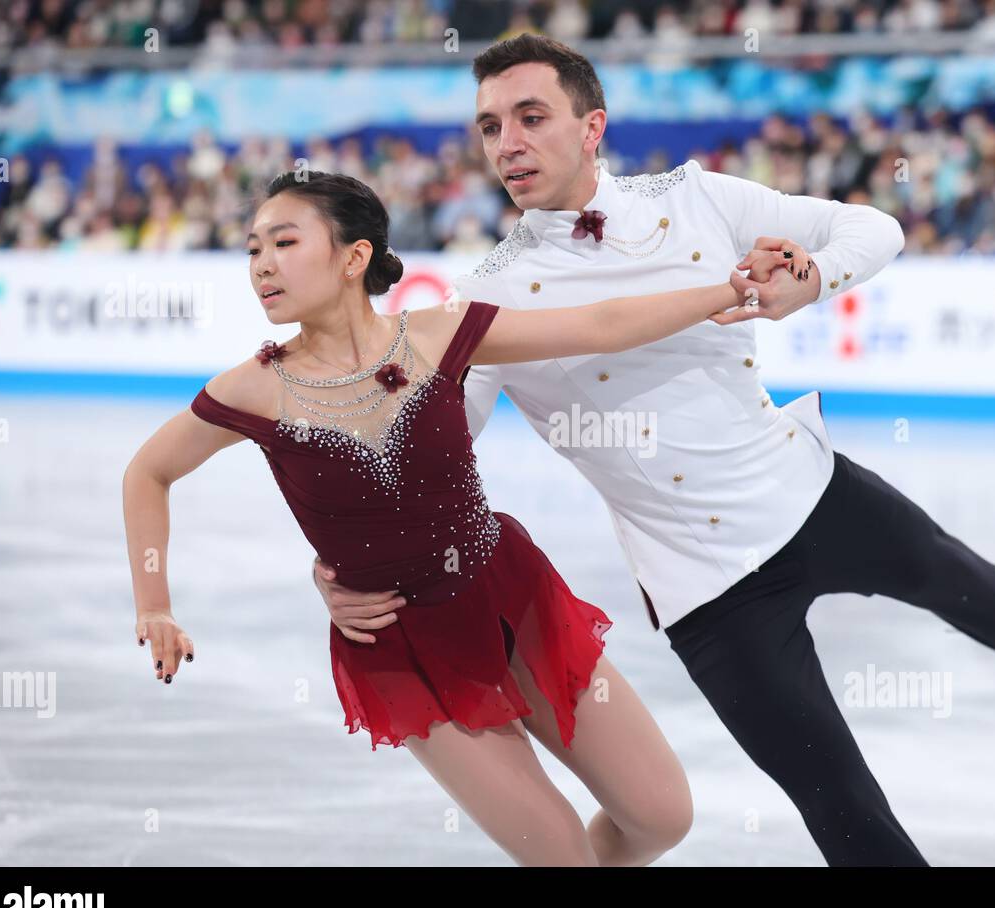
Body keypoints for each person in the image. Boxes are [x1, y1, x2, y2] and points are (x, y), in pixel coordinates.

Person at [309, 34, 995, 867]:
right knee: (841, 801)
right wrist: (347, 556)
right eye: (490, 127)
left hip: (815, 497)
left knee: (988, 599)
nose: (507, 144)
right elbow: (436, 453)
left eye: (531, 117)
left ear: (592, 127)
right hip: (706, 587)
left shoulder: (695, 195)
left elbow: (874, 228)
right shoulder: (486, 295)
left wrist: (809, 282)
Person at [121, 168, 783, 867]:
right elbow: (147, 473)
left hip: (511, 598)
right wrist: (155, 605)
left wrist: (731, 290)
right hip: (405, 645)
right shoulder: (251, 389)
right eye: (253, 249)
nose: (261, 265)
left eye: (284, 243)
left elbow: (601, 325)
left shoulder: (438, 333)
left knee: (661, 816)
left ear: (354, 257)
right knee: (562, 858)